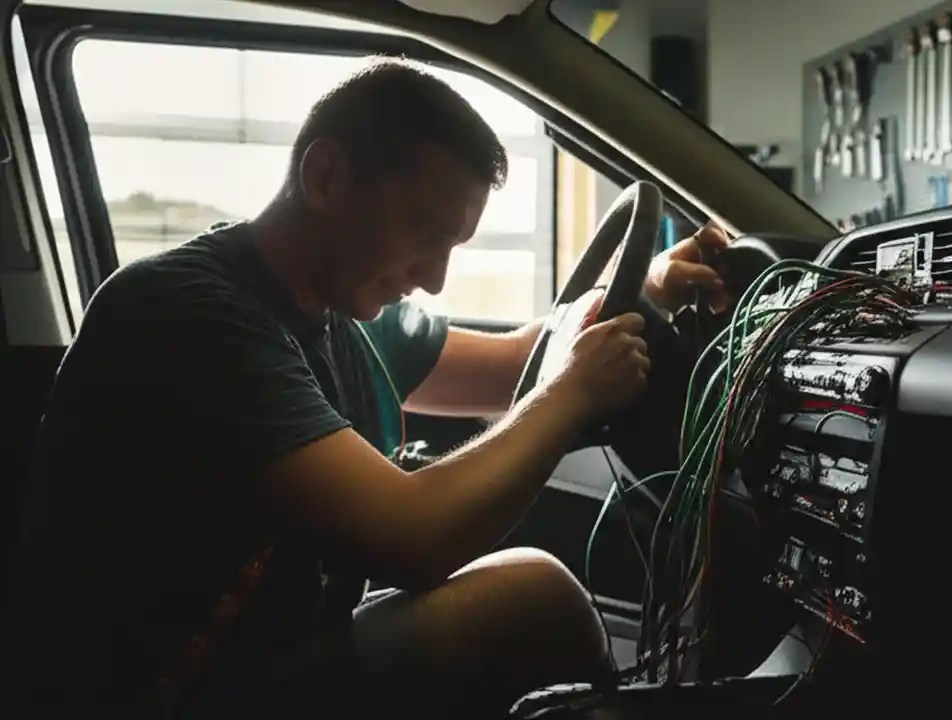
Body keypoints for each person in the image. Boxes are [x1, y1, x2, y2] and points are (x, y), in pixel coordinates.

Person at [16, 57, 730, 718]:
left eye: (453, 249)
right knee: (535, 599)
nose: (435, 278)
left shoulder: (344, 310)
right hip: (172, 693)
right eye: (424, 232)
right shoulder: (189, 315)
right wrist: (571, 396)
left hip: (272, 652)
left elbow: (523, 358)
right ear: (325, 176)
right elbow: (413, 540)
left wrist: (647, 286)